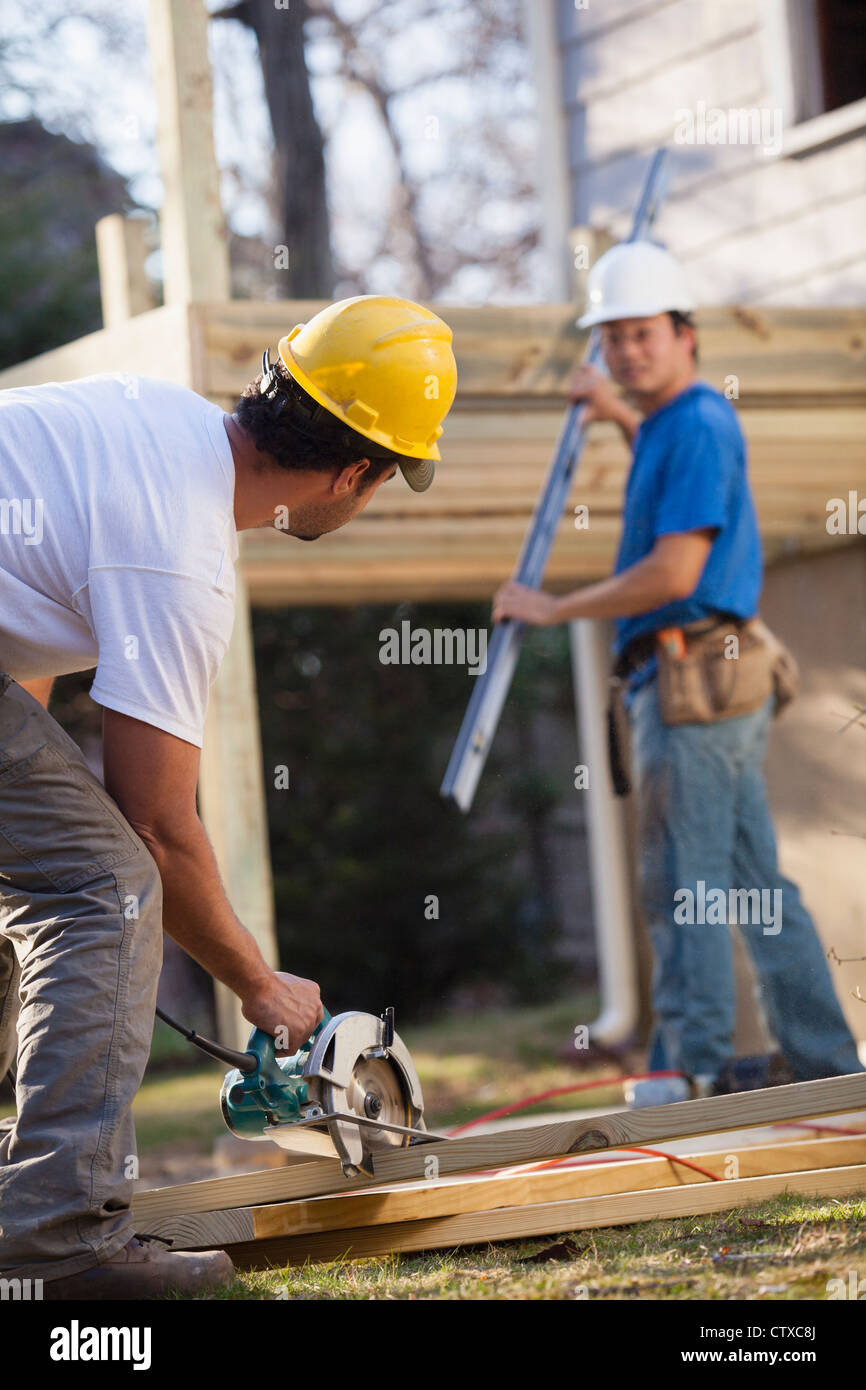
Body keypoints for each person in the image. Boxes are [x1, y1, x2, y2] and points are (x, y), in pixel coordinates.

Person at [0, 295, 457, 1298]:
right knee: (102, 883)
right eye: (383, 480)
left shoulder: (153, 425)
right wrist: (259, 982)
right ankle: (53, 1247)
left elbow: (17, 641)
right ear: (352, 472)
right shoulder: (182, 554)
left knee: (47, 876)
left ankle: (25, 1201)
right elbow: (157, 828)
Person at [493, 242, 863, 1106]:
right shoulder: (672, 423)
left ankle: (687, 1070)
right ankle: (828, 1066)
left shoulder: (695, 422)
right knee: (752, 883)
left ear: (685, 334)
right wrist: (614, 410)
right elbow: (664, 456)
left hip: (692, 675)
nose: (627, 351)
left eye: (642, 334)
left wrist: (552, 608)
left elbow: (673, 573)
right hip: (712, 675)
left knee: (683, 883)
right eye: (613, 338)